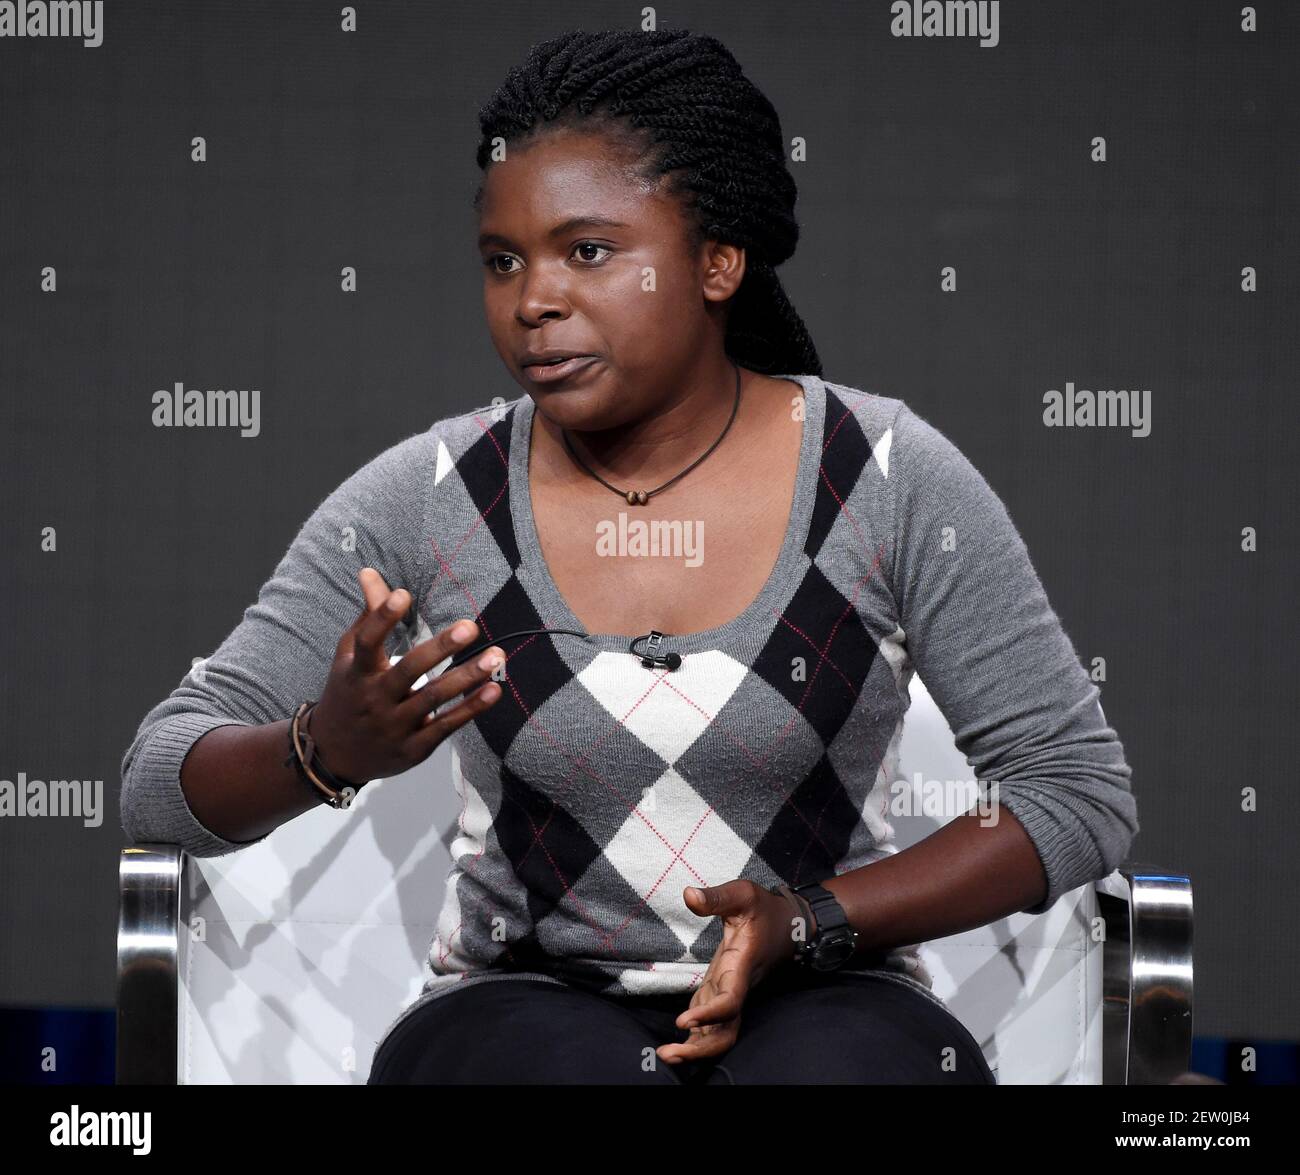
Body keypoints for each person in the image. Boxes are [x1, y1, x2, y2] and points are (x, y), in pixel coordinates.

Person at [120, 27, 1138, 1085]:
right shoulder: (431, 495)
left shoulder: (883, 477)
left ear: (717, 262)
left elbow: (1073, 792)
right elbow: (157, 782)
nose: (533, 300)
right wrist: (321, 748)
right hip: (523, 1001)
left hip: (829, 987)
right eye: (503, 260)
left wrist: (809, 919)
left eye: (589, 251)